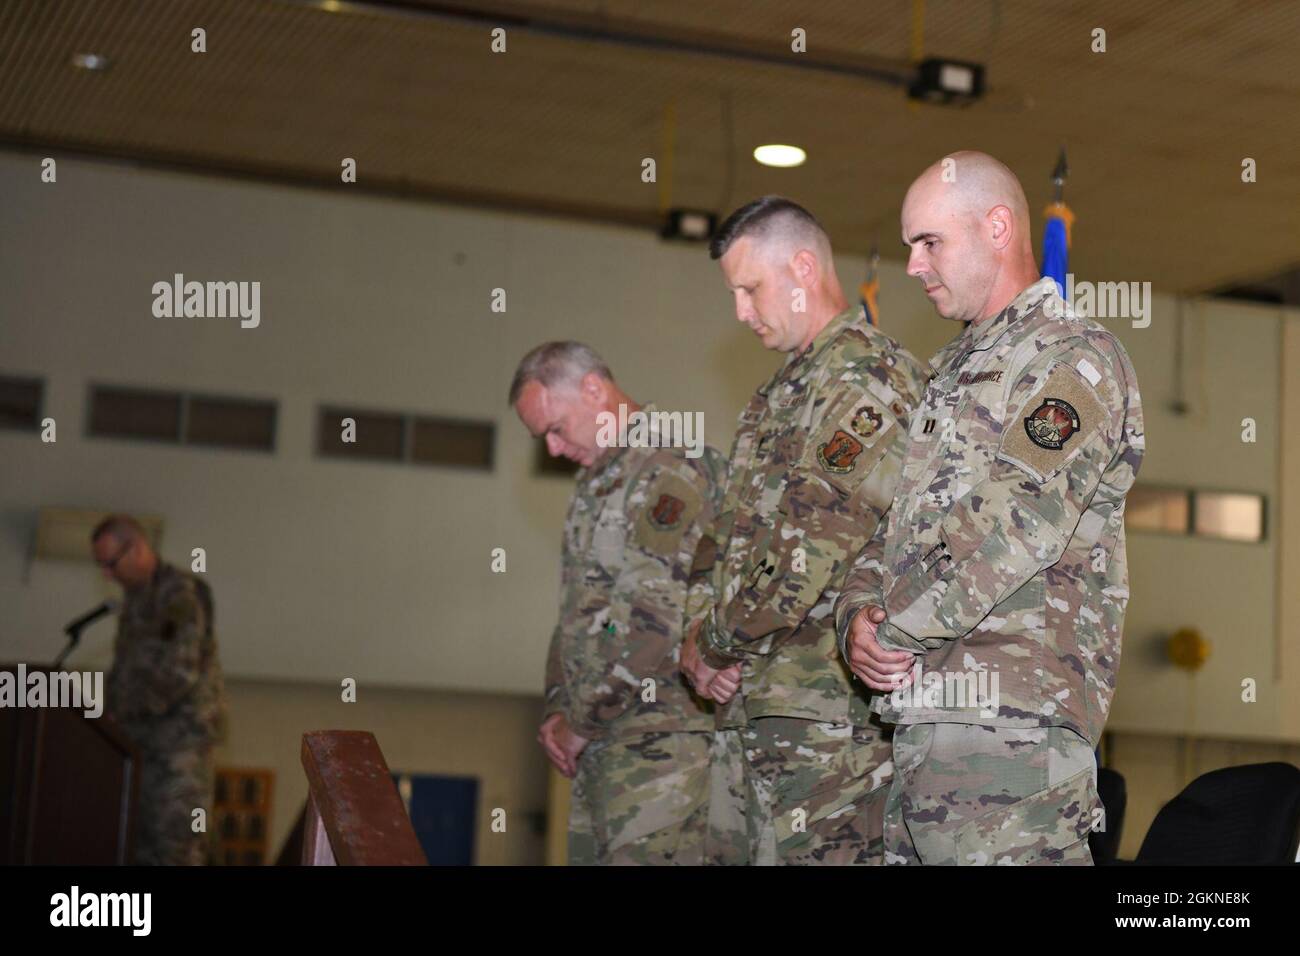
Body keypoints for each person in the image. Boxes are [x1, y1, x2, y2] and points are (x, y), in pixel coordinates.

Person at [835, 151, 1145, 864]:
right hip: (924, 737)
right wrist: (854, 620)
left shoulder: (1072, 358)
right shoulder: (950, 374)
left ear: (997, 227)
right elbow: (891, 534)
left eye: (929, 242)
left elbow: (1014, 527)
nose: (913, 265)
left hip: (1012, 742)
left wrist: (893, 630)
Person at [682, 197, 927, 865]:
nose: (740, 311)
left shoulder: (864, 378)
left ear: (801, 267)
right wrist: (696, 636)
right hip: (758, 709)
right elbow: (723, 539)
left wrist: (714, 640)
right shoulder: (780, 393)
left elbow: (808, 547)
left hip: (826, 724)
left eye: (749, 289)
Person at [510, 341, 726, 864]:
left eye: (555, 430)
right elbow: (578, 616)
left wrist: (579, 722)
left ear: (592, 388)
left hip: (662, 746)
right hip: (604, 742)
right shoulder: (594, 484)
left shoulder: (670, 466)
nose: (554, 451)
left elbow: (651, 622)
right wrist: (559, 705)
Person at [91, 514, 226, 865]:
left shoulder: (178, 593)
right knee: (141, 846)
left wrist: (119, 714)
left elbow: (178, 673)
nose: (106, 574)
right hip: (139, 746)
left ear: (135, 548)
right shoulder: (136, 600)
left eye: (110, 563)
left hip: (178, 749)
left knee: (176, 845)